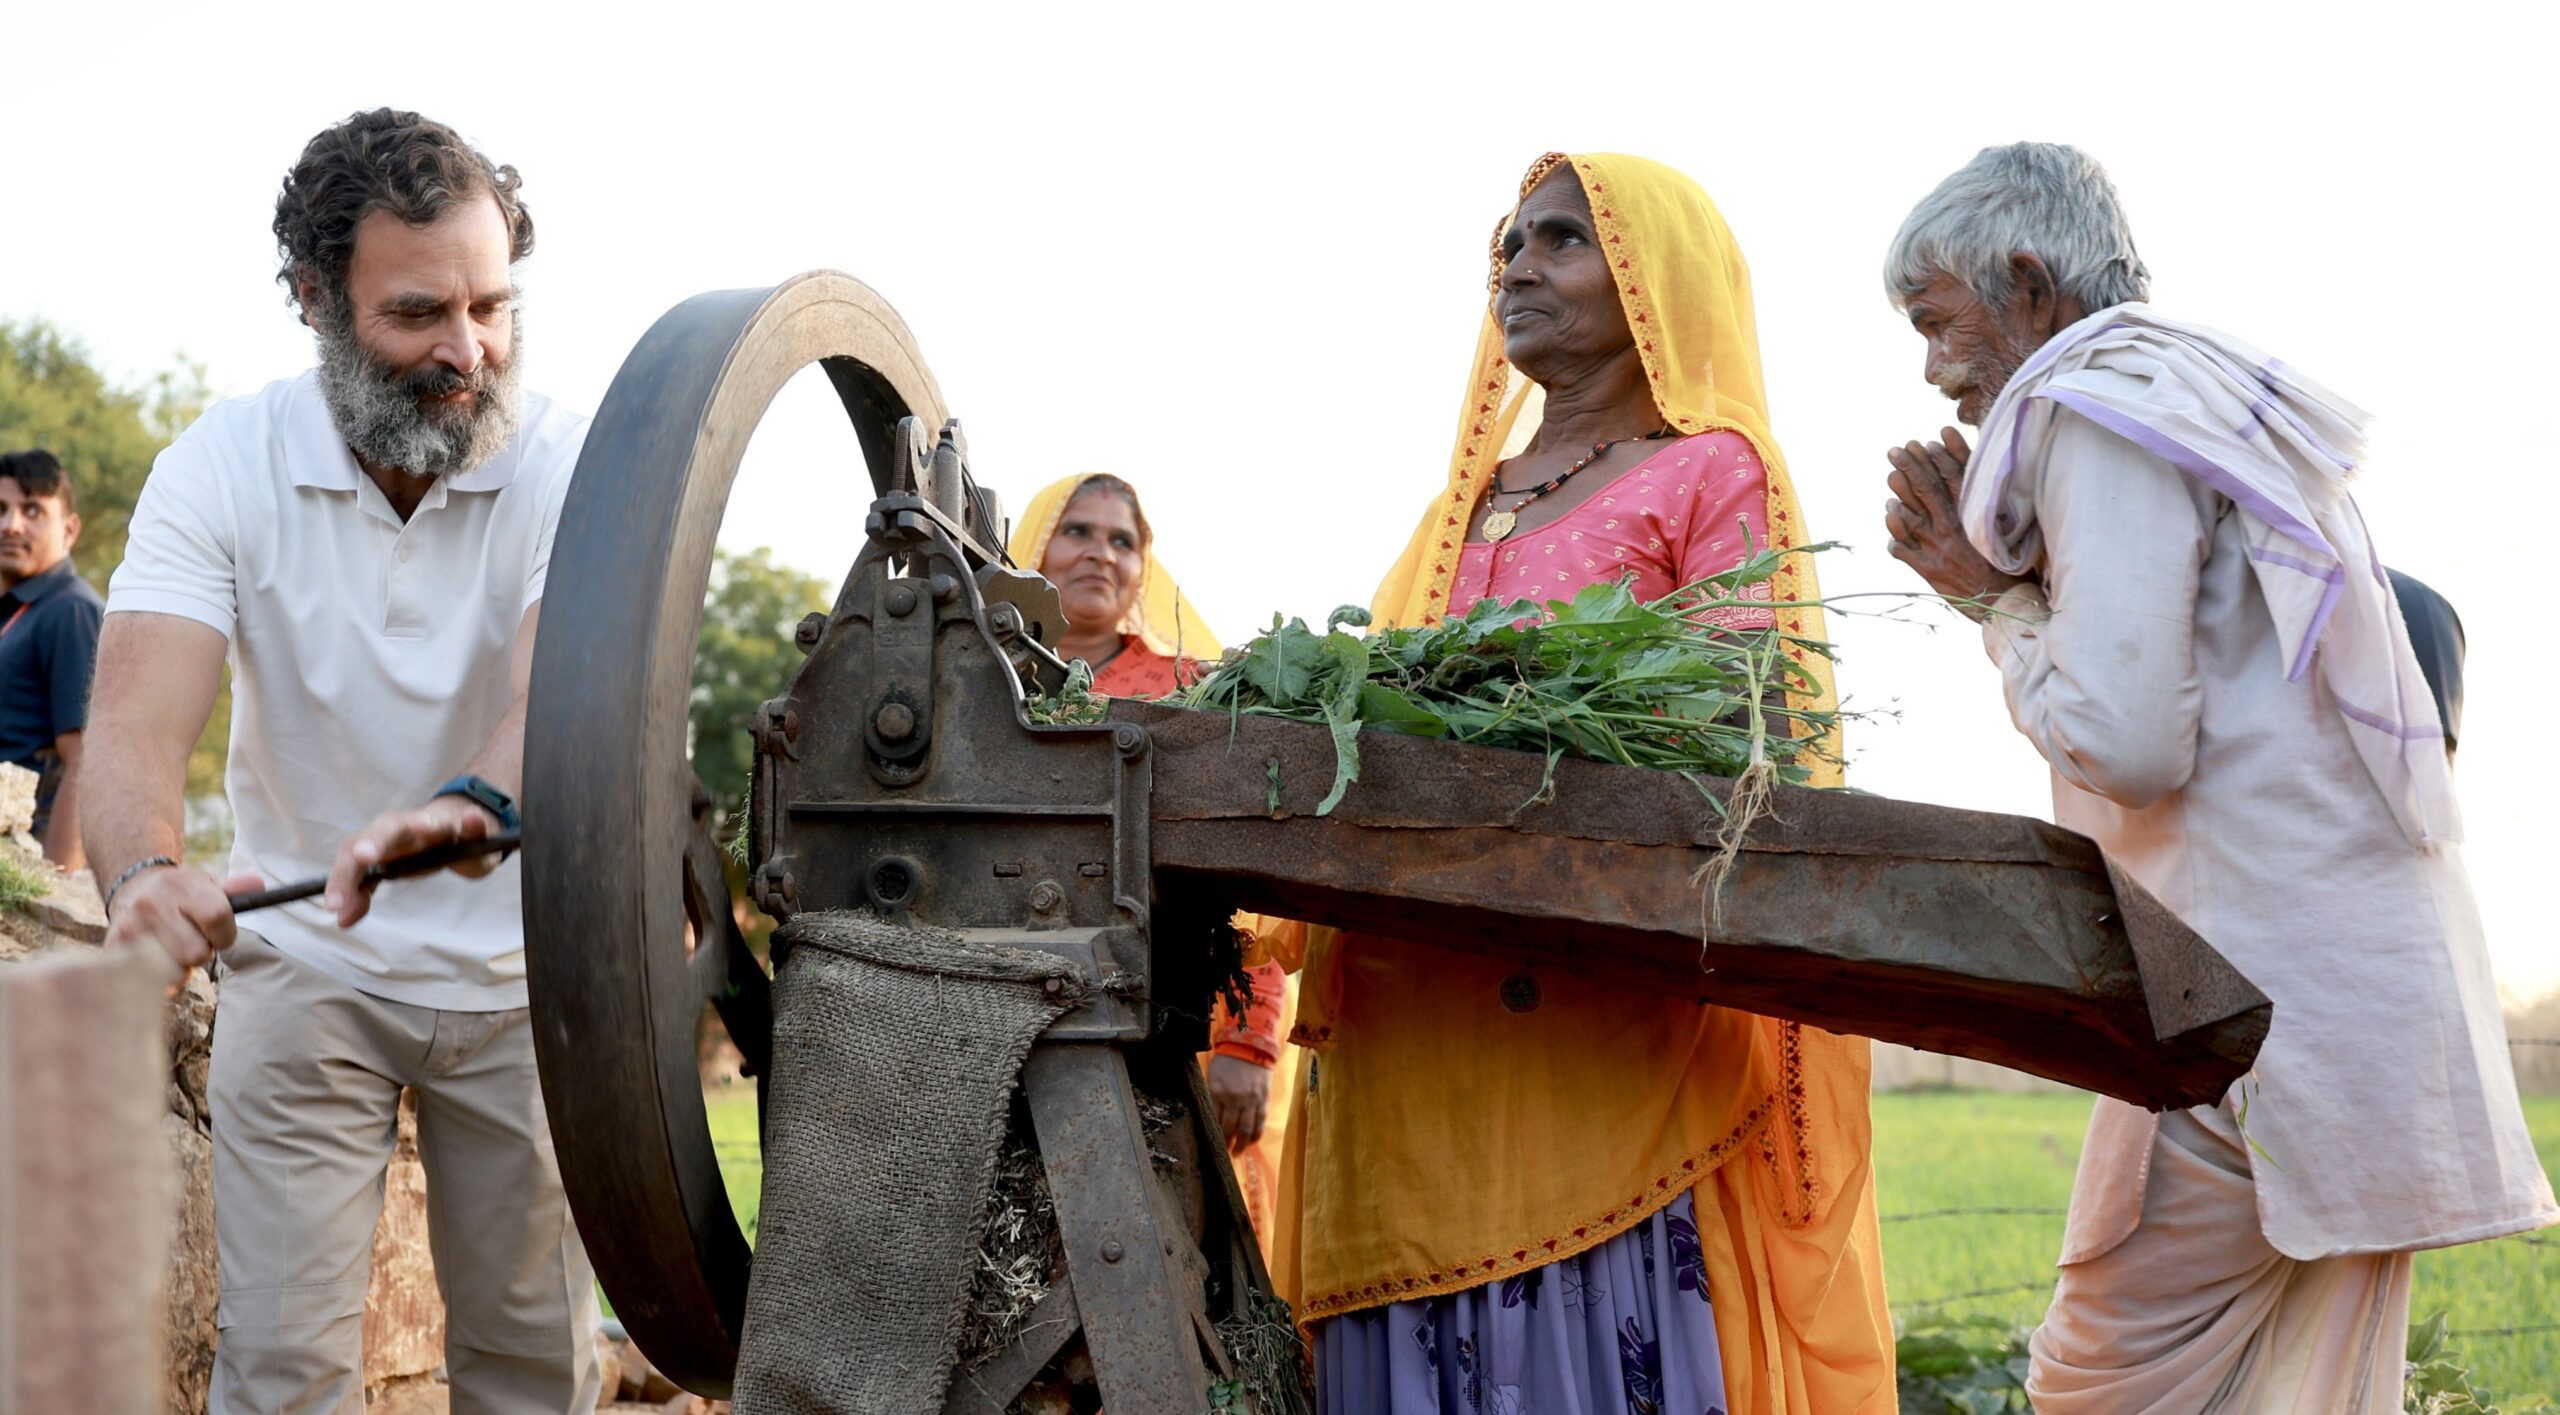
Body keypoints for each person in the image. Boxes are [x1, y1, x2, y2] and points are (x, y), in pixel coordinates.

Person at [1878, 141, 2555, 1412]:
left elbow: (2129, 743)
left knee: (2098, 1379)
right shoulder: (2196, 398)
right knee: (2296, 1382)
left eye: (1933, 320)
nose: (1931, 367)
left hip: (2254, 997)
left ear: (2028, 282)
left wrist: (1991, 605)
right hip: (2352, 993)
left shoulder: (2101, 405)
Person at [1276, 152, 1894, 1414]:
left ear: (1649, 283)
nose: (1517, 266)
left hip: (1601, 1024)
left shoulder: (1709, 469)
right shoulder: (1457, 512)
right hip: (1415, 1024)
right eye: (1508, 243)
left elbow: (1738, 712)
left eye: (1559, 241)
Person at [84, 109, 604, 1411]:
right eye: (420, 312)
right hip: (307, 956)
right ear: (316, 299)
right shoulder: (221, 464)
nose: (469, 349)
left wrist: (466, 805)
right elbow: (140, 723)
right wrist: (144, 868)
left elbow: (564, 694)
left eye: (494, 303)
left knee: (534, 1369)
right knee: (278, 1374)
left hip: (527, 974)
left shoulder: (570, 458)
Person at [1007, 473, 1302, 1247]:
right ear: (1031, 546)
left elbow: (1250, 861)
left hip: (1155, 1029)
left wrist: (1246, 1040)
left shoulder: (1186, 691)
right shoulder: (979, 688)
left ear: (1144, 569)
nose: (1099, 554)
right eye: (1075, 531)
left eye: (1122, 540)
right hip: (998, 1018)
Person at [0, 448, 102, 867]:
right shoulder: (19, 611)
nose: (12, 526)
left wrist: (57, 885)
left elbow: (86, 757)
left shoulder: (71, 610)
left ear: (70, 530)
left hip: (24, 859)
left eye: (33, 511)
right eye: (1, 509)